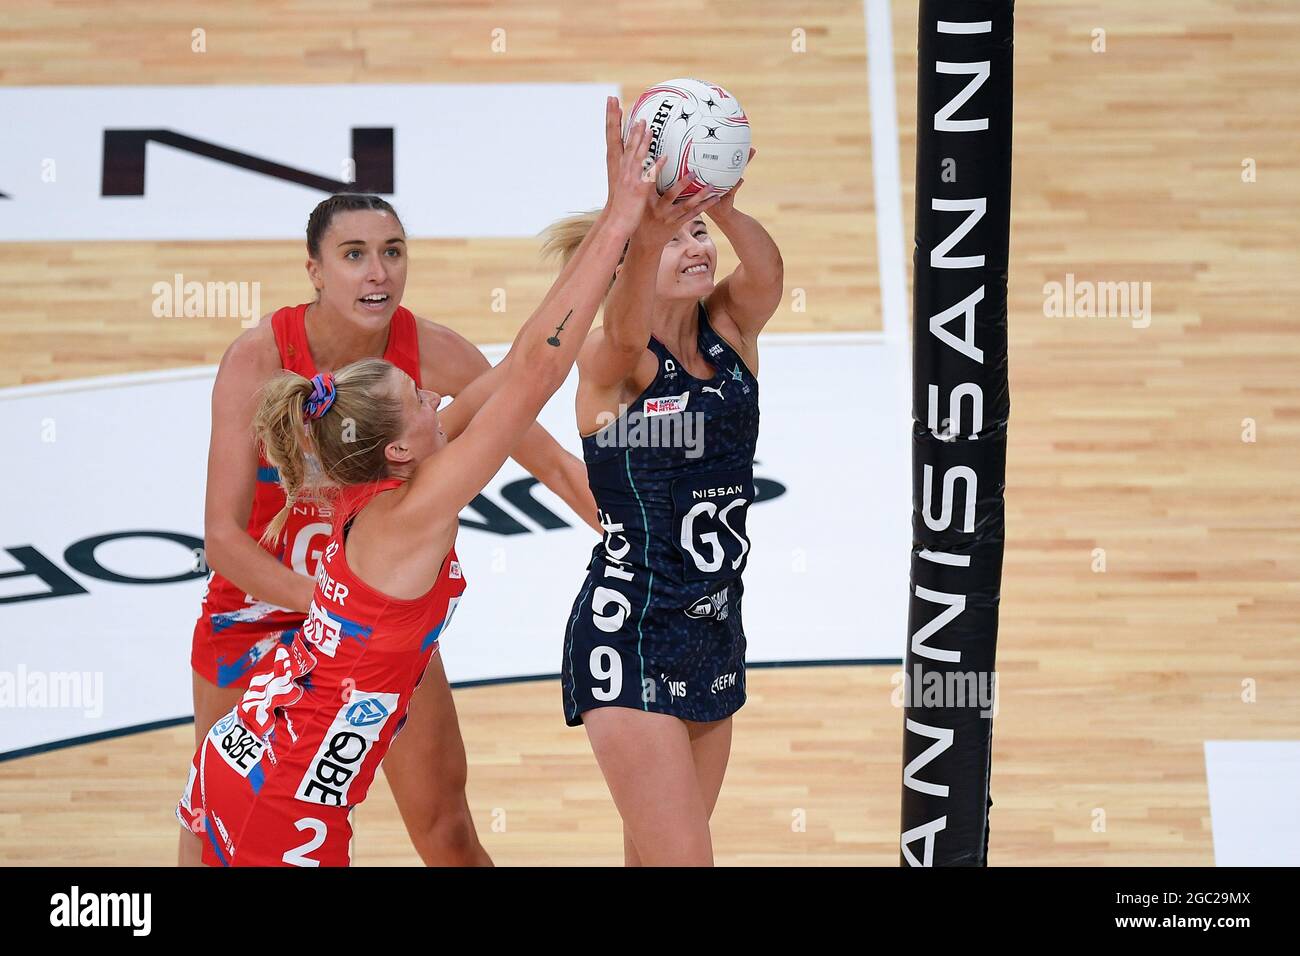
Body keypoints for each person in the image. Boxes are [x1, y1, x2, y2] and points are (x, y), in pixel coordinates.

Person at [176, 110, 659, 867]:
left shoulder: (383, 463)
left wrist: (614, 235)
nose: (438, 400)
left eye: (392, 252)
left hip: (254, 744)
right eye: (422, 398)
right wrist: (620, 216)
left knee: (444, 825)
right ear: (399, 447)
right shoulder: (413, 509)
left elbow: (513, 367)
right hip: (283, 772)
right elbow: (535, 373)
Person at [545, 99, 782, 865]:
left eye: (699, 233)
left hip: (714, 631)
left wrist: (730, 205)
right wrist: (637, 231)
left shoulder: (732, 332)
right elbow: (616, 325)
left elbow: (770, 274)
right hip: (630, 634)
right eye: (675, 239)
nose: (696, 247)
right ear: (626, 272)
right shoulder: (618, 366)